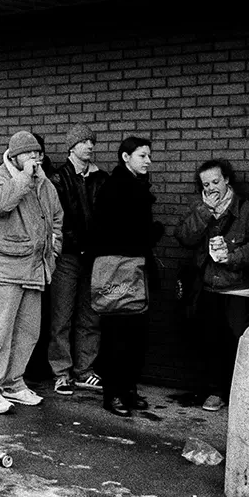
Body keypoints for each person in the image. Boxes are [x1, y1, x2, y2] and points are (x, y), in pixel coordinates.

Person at [0, 131, 63, 415]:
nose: (35, 159)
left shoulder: (45, 183)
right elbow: (0, 203)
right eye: (29, 154)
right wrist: (25, 177)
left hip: (35, 268)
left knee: (27, 332)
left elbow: (57, 218)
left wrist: (54, 251)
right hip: (4, 268)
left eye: (38, 153)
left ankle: (13, 383)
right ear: (14, 156)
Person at [174, 158, 249, 412]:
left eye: (216, 181)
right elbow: (184, 237)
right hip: (208, 288)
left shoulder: (246, 210)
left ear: (227, 179)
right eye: (206, 184)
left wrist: (232, 256)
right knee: (210, 341)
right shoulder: (200, 208)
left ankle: (240, 393)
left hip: (237, 288)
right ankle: (216, 391)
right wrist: (204, 212)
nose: (212, 188)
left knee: (237, 343)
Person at [92, 136, 161, 418]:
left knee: (134, 333)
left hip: (134, 271)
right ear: (125, 157)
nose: (148, 161)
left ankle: (128, 390)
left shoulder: (135, 186)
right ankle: (114, 393)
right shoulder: (116, 188)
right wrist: (153, 231)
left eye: (148, 155)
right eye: (142, 155)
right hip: (121, 271)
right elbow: (116, 230)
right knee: (118, 334)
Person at [47, 124, 109, 396]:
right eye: (84, 141)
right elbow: (56, 218)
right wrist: (71, 243)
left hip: (93, 257)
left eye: (92, 141)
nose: (90, 146)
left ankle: (85, 370)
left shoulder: (101, 179)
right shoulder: (58, 178)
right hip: (69, 256)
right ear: (71, 147)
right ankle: (61, 372)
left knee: (90, 315)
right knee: (62, 316)